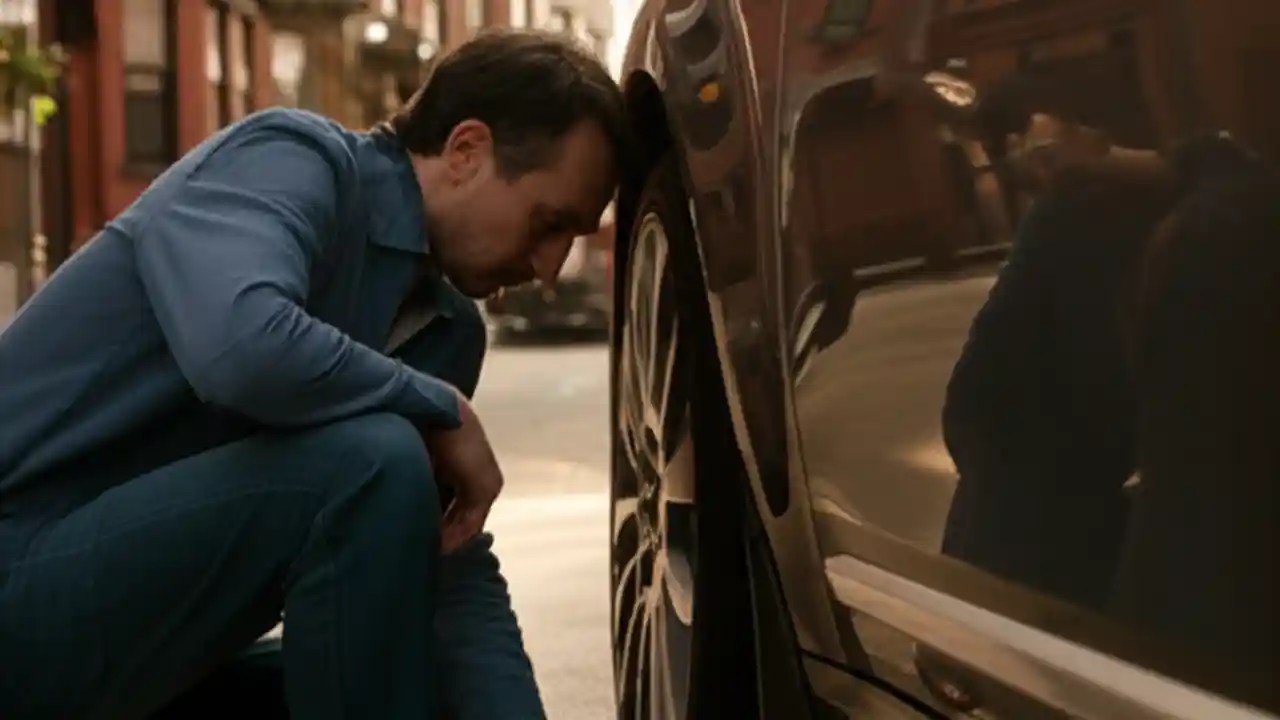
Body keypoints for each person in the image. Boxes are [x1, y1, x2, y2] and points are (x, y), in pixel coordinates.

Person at [0, 29, 628, 719]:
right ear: (466, 151)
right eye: (548, 223)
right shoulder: (288, 162)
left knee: (433, 669)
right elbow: (243, 351)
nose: (548, 269)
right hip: (21, 581)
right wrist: (431, 404)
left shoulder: (447, 333)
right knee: (370, 460)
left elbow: (445, 568)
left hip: (137, 644)